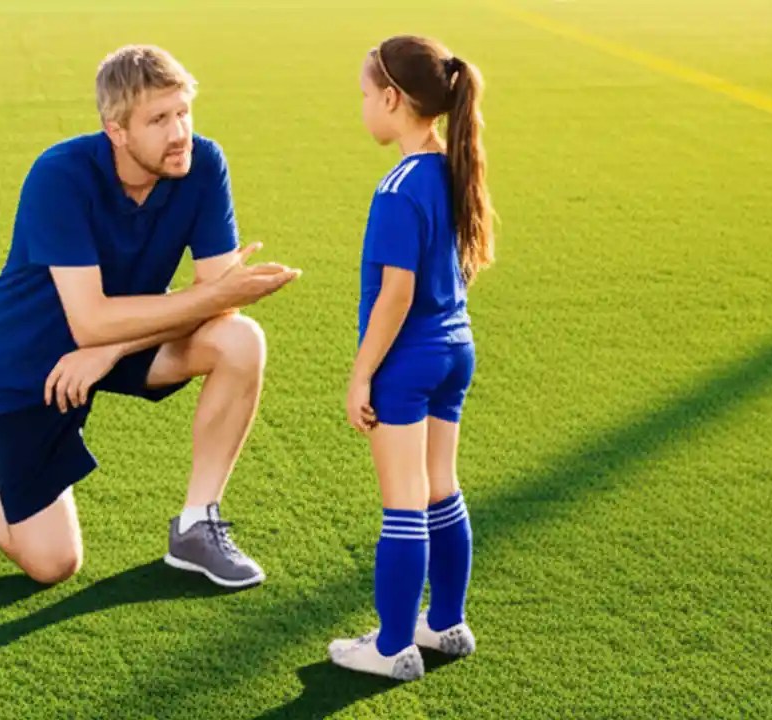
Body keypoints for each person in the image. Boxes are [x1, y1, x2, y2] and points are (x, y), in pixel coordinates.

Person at [0, 45, 300, 589]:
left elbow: (219, 301)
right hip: (28, 366)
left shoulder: (201, 164)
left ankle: (198, 526)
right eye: (158, 119)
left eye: (183, 112)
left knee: (240, 340)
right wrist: (108, 336)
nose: (179, 133)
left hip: (121, 342)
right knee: (54, 564)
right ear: (117, 130)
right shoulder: (60, 175)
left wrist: (110, 351)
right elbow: (91, 320)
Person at [327, 34, 494, 680]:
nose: (363, 106)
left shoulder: (397, 188)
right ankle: (446, 623)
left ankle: (393, 644)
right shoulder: (451, 167)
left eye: (366, 95)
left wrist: (361, 373)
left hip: (409, 360)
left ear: (393, 99)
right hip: (456, 349)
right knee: (440, 491)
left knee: (402, 504)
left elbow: (395, 294)